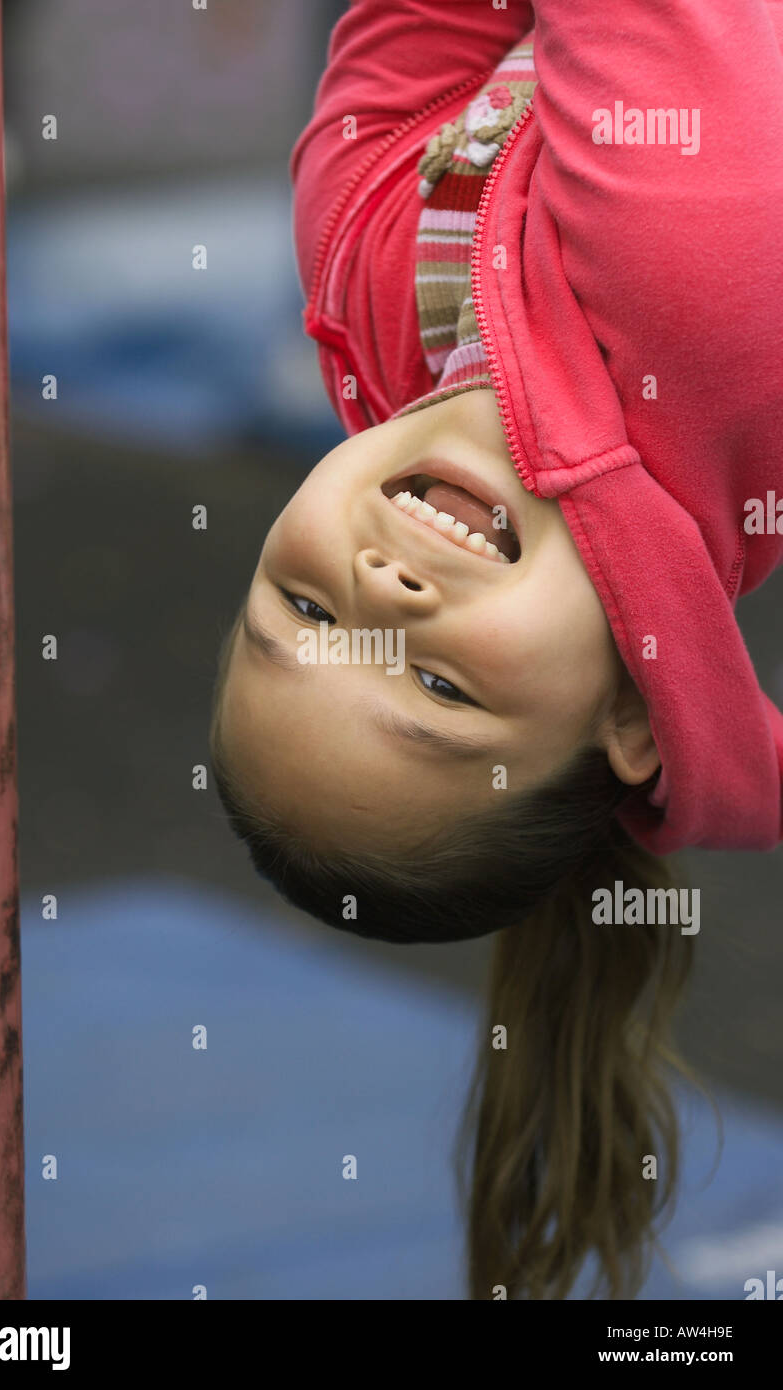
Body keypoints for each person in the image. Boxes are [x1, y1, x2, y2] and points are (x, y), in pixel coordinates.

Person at [210, 0, 783, 1298]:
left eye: (301, 614)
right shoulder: (691, 300)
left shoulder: (371, 274)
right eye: (436, 683)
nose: (384, 587)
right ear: (633, 714)